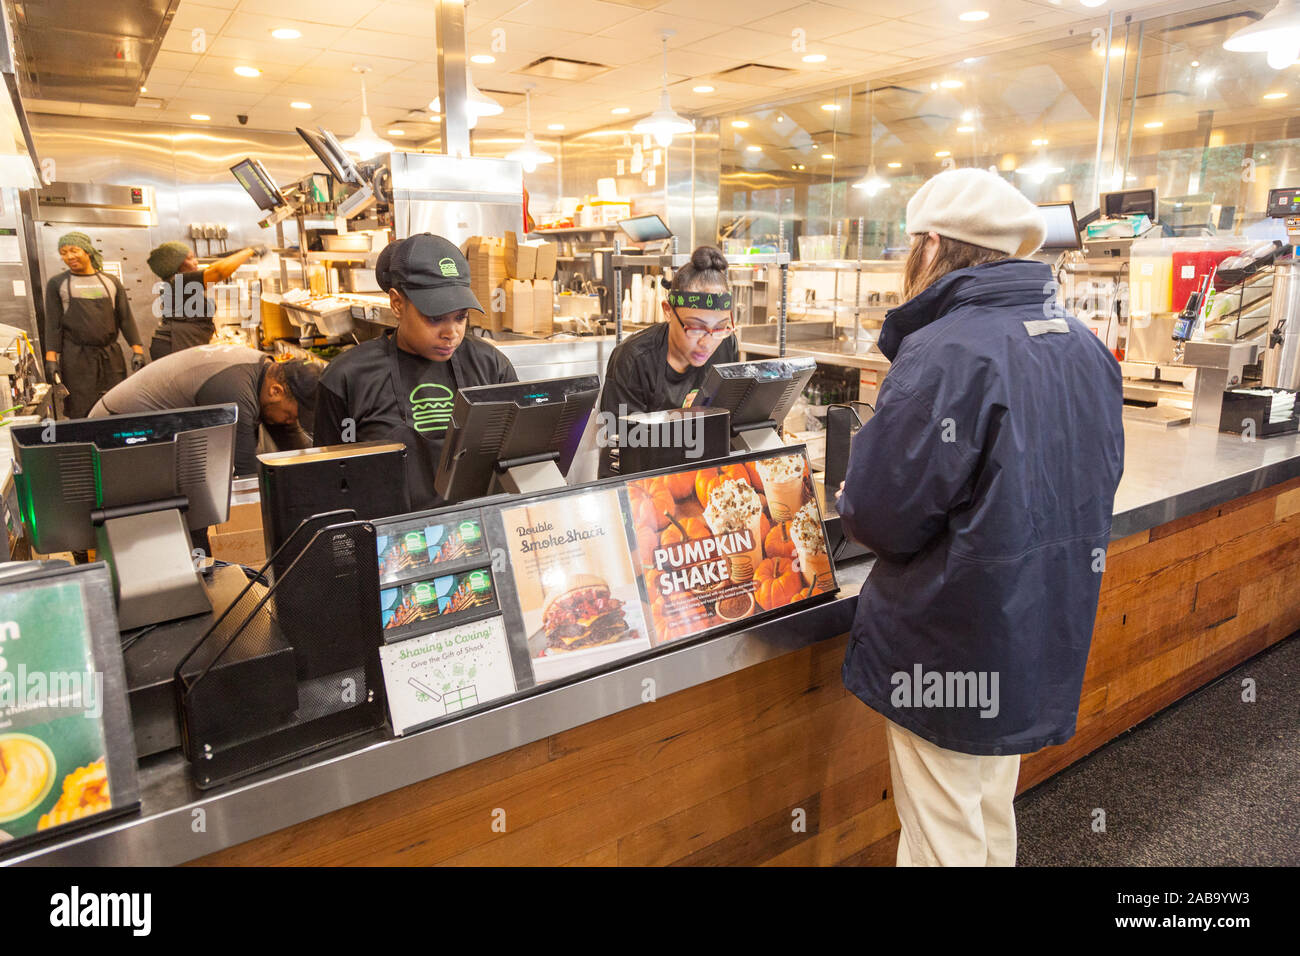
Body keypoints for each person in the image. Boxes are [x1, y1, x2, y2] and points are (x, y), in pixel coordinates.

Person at [835, 168, 1125, 867]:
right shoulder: (1081, 344)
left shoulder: (944, 350)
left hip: (948, 641)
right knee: (989, 811)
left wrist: (855, 491)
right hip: (1032, 633)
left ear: (932, 246)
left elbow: (879, 514)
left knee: (941, 834)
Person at [314, 233, 518, 511]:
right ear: (397, 303)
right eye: (435, 318)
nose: (451, 333)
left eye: (460, 317)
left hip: (478, 532)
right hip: (389, 541)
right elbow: (328, 484)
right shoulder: (348, 378)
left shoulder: (491, 366)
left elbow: (514, 463)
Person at [596, 245, 738, 476]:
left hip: (703, 473)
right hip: (637, 481)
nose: (708, 342)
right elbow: (624, 444)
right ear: (668, 310)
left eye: (720, 328)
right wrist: (684, 420)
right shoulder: (633, 359)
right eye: (696, 328)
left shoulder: (726, 345)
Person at [90, 344, 319, 478]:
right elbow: (245, 473)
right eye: (292, 415)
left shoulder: (267, 376)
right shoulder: (234, 390)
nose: (290, 421)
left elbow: (292, 446)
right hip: (119, 428)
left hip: (163, 432)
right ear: (276, 391)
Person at [43, 231, 145, 418]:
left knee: (116, 405)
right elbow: (53, 325)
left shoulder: (110, 282)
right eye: (64, 252)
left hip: (110, 356)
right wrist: (51, 360)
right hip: (76, 358)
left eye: (74, 250)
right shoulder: (58, 284)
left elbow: (126, 318)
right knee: (81, 410)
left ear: (87, 251)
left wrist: (137, 350)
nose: (69, 256)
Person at [146, 241, 264, 360]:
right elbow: (218, 272)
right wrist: (250, 251)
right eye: (190, 258)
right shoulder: (179, 281)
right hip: (173, 345)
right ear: (178, 264)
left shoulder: (176, 281)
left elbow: (212, 268)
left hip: (181, 342)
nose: (196, 261)